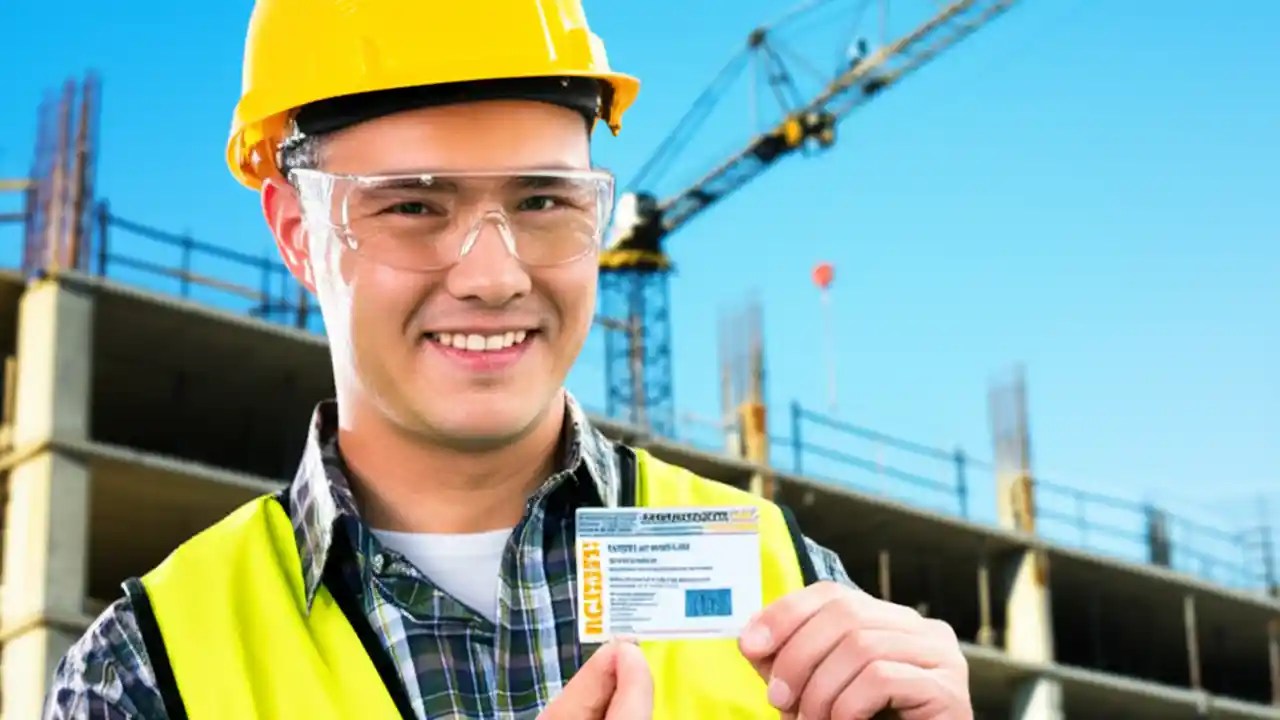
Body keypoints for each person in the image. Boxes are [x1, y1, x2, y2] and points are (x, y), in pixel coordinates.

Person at [44, 1, 972, 718]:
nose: (494, 275)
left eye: (543, 202)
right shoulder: (148, 671)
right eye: (412, 205)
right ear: (297, 232)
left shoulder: (792, 587)